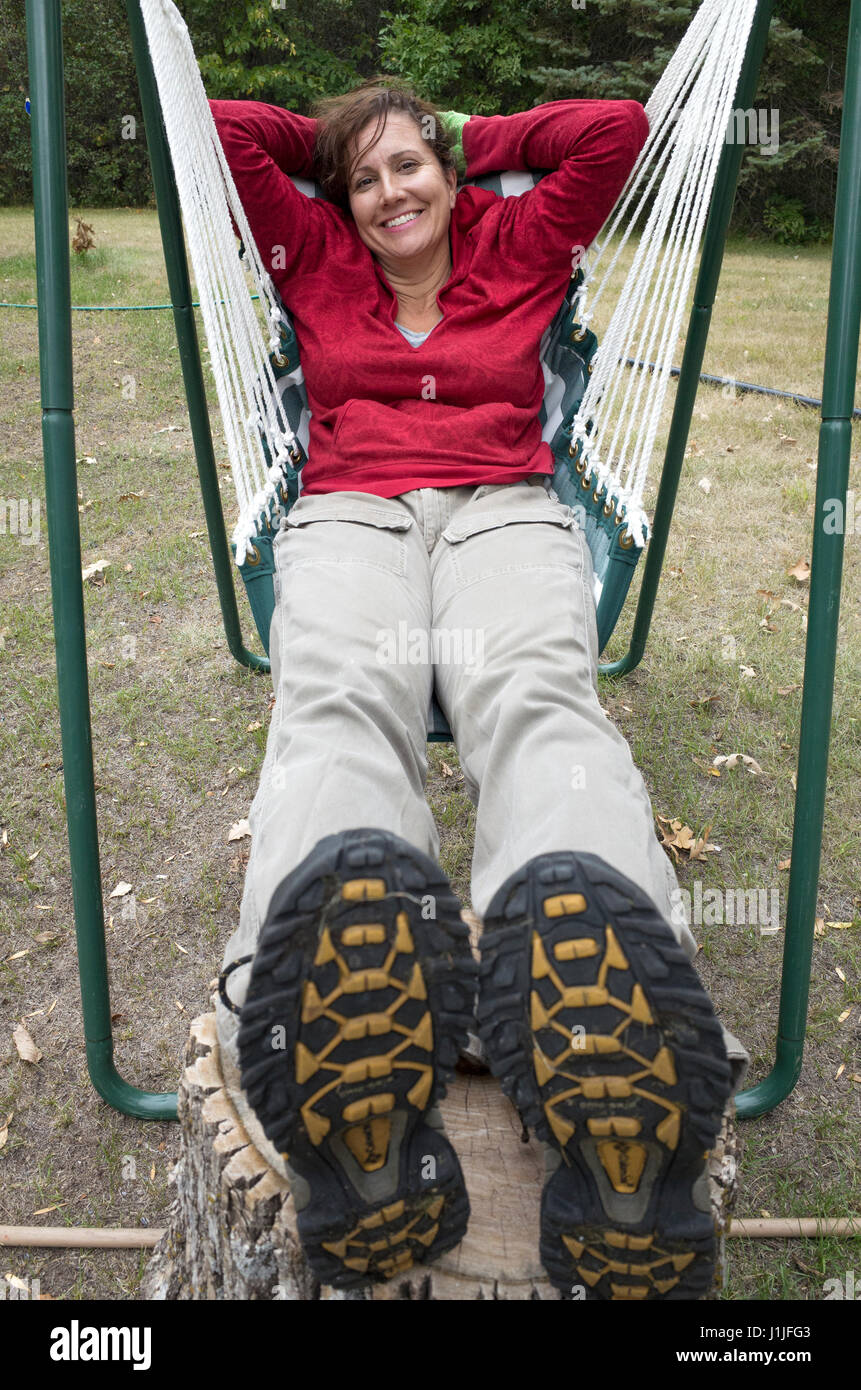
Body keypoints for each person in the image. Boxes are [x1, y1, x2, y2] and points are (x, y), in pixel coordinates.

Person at [209, 77, 748, 1300]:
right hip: (353, 511)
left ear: (451, 177)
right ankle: (336, 1058)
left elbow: (615, 131)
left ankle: (623, 1071)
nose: (392, 192)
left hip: (504, 510)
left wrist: (464, 138)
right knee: (338, 698)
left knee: (538, 701)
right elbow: (227, 127)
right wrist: (326, 150)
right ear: (339, 203)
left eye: (413, 167)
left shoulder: (521, 238)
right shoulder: (313, 257)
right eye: (367, 179)